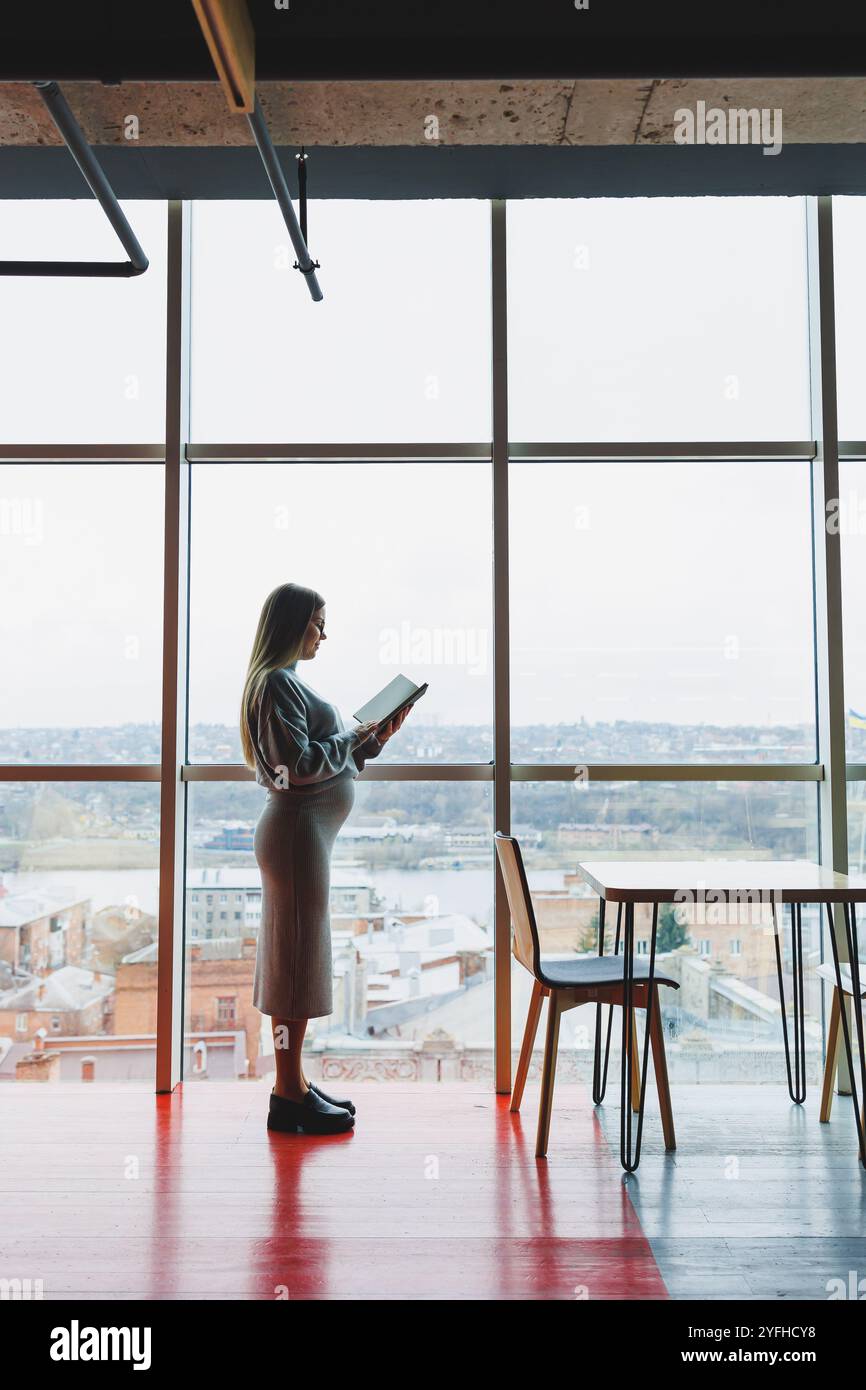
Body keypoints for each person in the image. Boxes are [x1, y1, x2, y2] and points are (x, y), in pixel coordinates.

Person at [240, 582, 412, 1134]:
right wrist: (351, 737)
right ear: (293, 625)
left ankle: (293, 1084)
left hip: (303, 837)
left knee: (297, 956)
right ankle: (287, 1094)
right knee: (294, 962)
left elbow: (321, 760)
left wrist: (367, 744)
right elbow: (299, 764)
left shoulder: (283, 684)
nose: (324, 633)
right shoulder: (275, 684)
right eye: (318, 622)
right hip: (295, 837)